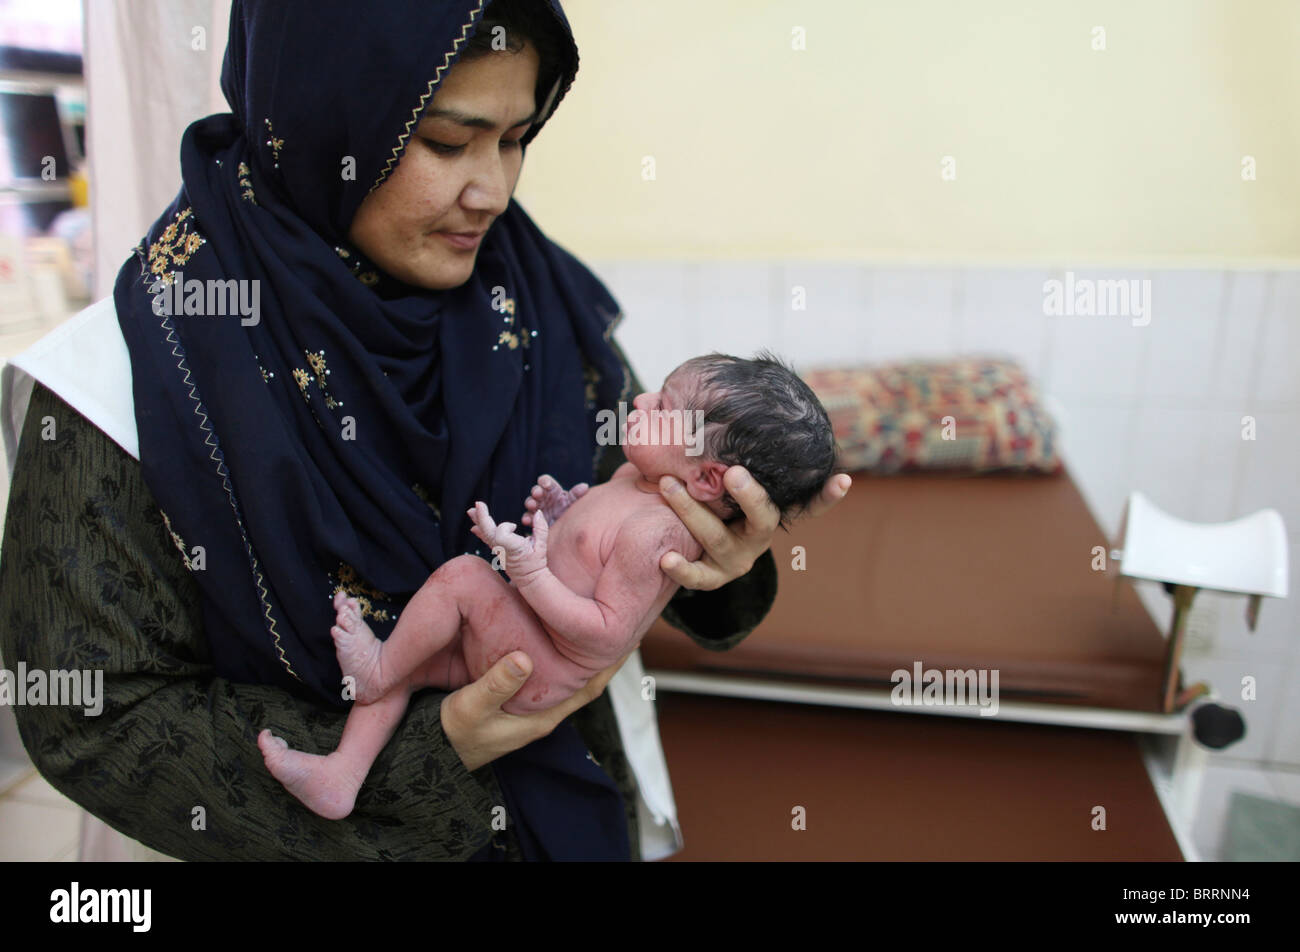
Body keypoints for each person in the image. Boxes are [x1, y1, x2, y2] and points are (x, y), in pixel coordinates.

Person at [0, 0, 849, 861]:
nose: (493, 191)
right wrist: (430, 753)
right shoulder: (128, 375)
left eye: (515, 138)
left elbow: (659, 552)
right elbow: (91, 717)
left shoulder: (535, 301)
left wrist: (724, 557)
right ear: (324, 115)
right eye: (447, 142)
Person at [260, 353, 839, 819]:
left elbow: (609, 634)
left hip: (544, 665)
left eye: (662, 404)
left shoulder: (659, 534)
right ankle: (343, 776)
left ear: (710, 479)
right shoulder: (638, 477)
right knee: (415, 662)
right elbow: (591, 550)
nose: (638, 400)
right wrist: (564, 513)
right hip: (523, 639)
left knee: (463, 577)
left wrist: (530, 573)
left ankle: (376, 669)